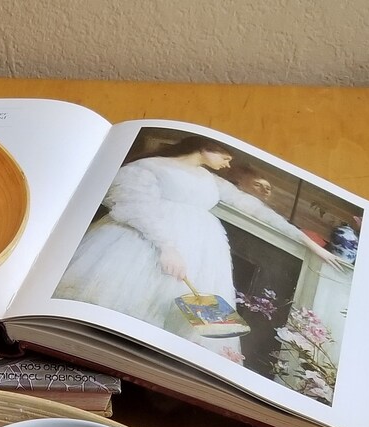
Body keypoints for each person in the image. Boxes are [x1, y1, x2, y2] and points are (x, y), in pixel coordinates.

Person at [53, 135, 343, 358]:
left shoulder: (212, 181)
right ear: (206, 147)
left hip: (201, 253)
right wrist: (166, 246)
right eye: (225, 156)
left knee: (184, 319)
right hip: (141, 244)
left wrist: (307, 242)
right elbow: (135, 204)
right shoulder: (150, 166)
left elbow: (256, 210)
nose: (228, 164)